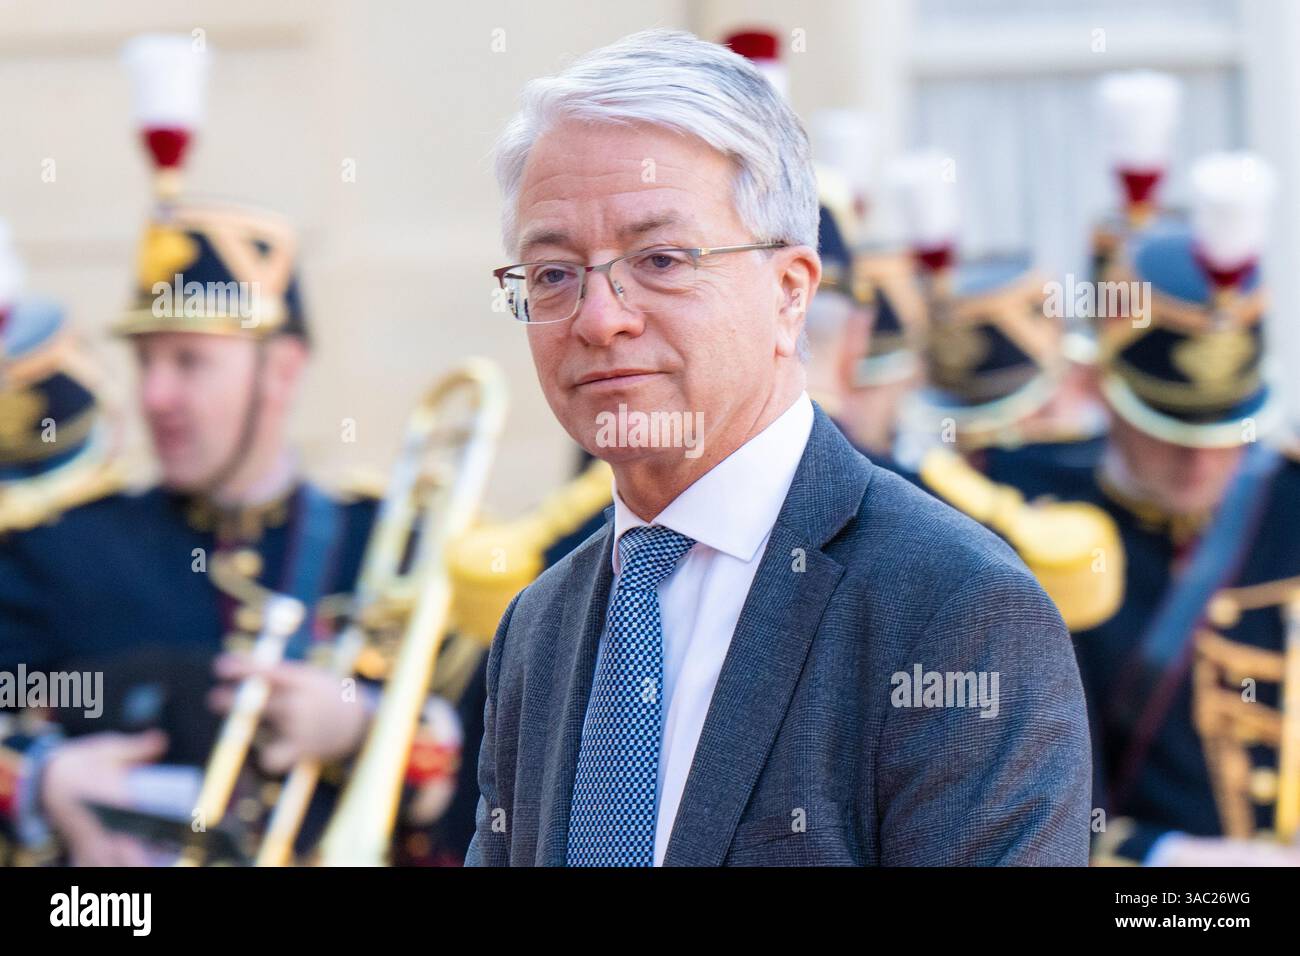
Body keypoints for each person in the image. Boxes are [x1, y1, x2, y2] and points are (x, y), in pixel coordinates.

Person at [467, 29, 1090, 867]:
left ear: (790, 292)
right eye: (551, 273)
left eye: (660, 260)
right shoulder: (538, 626)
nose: (599, 316)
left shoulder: (956, 611)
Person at [1039, 151, 1300, 865]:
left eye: (1228, 432)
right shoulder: (1027, 510)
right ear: (1100, 387)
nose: (1203, 460)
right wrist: (1166, 860)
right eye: (1170, 427)